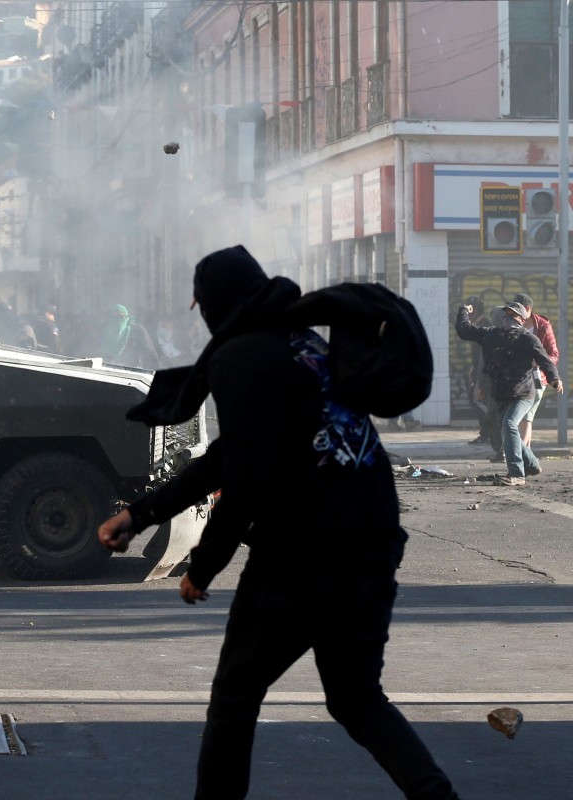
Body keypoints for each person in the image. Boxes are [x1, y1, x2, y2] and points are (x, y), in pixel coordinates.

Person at [97, 245, 461, 800]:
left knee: (236, 698)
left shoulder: (238, 358)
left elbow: (243, 476)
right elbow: (230, 455)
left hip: (300, 558)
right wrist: (142, 514)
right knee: (357, 699)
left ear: (216, 303)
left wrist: (204, 565)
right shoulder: (303, 344)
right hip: (370, 542)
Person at [455, 301, 562, 486]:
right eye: (506, 315)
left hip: (524, 393)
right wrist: (463, 310)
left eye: (513, 316)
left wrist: (554, 379)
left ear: (521, 319)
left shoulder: (528, 340)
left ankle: (516, 473)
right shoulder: (491, 335)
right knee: (507, 428)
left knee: (510, 423)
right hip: (501, 393)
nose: (508, 319)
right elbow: (464, 330)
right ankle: (532, 464)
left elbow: (546, 361)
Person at [512, 293, 559, 450]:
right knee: (520, 417)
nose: (515, 313)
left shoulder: (543, 326)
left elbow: (553, 354)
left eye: (519, 309)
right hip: (516, 379)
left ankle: (521, 454)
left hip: (537, 378)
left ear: (527, 309)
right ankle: (527, 455)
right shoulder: (512, 324)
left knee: (526, 415)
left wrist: (538, 362)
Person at [463, 297, 494, 445]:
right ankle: (487, 432)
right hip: (479, 370)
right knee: (478, 400)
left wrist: (479, 374)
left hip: (484, 372)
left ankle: (488, 433)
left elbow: (483, 353)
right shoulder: (479, 325)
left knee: (480, 400)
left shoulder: (483, 326)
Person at [103, 304, 159, 369]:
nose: (118, 320)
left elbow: (150, 353)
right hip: (104, 371)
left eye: (121, 316)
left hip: (131, 373)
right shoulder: (103, 330)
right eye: (115, 317)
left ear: (127, 317)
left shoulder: (137, 330)